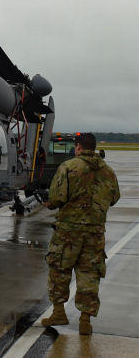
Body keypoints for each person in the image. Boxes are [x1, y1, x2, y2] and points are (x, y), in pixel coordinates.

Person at [41, 133, 119, 335]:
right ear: (93, 148)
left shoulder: (69, 167)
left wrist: (49, 203)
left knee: (59, 270)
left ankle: (59, 312)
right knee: (89, 274)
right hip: (95, 232)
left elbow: (58, 198)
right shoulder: (108, 171)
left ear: (78, 147)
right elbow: (114, 198)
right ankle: (85, 321)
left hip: (68, 231)